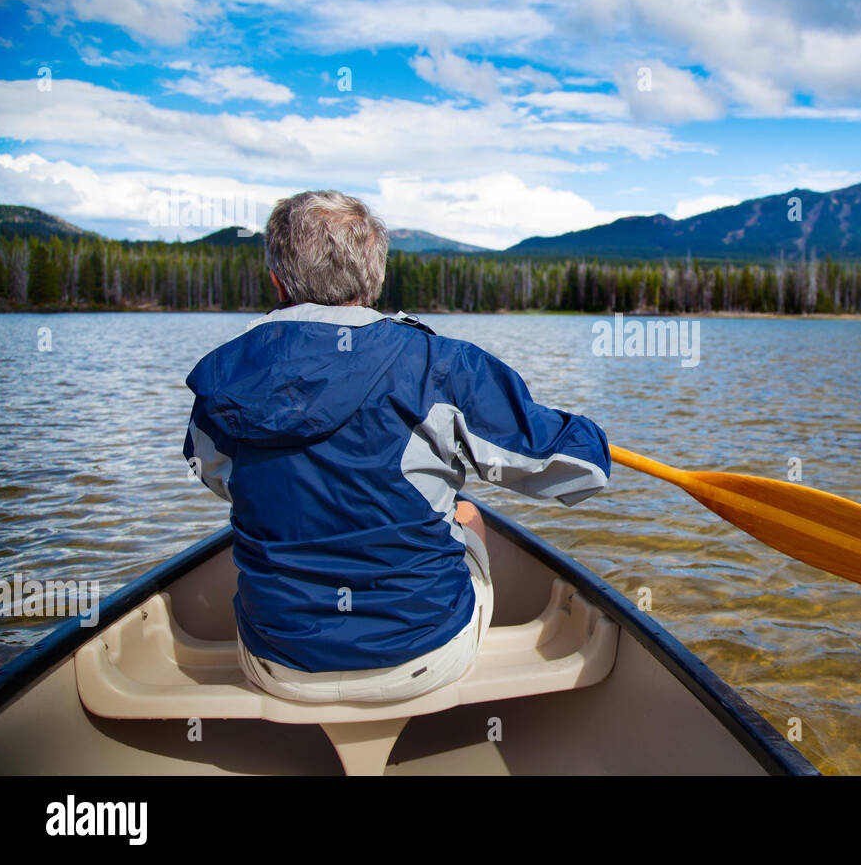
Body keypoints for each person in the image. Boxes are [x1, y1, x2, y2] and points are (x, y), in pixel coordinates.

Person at [181, 190, 610, 703]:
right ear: (375, 277)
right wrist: (588, 436)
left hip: (277, 663)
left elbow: (218, 479)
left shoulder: (223, 380)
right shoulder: (441, 364)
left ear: (276, 279)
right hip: (422, 656)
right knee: (468, 512)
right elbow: (576, 467)